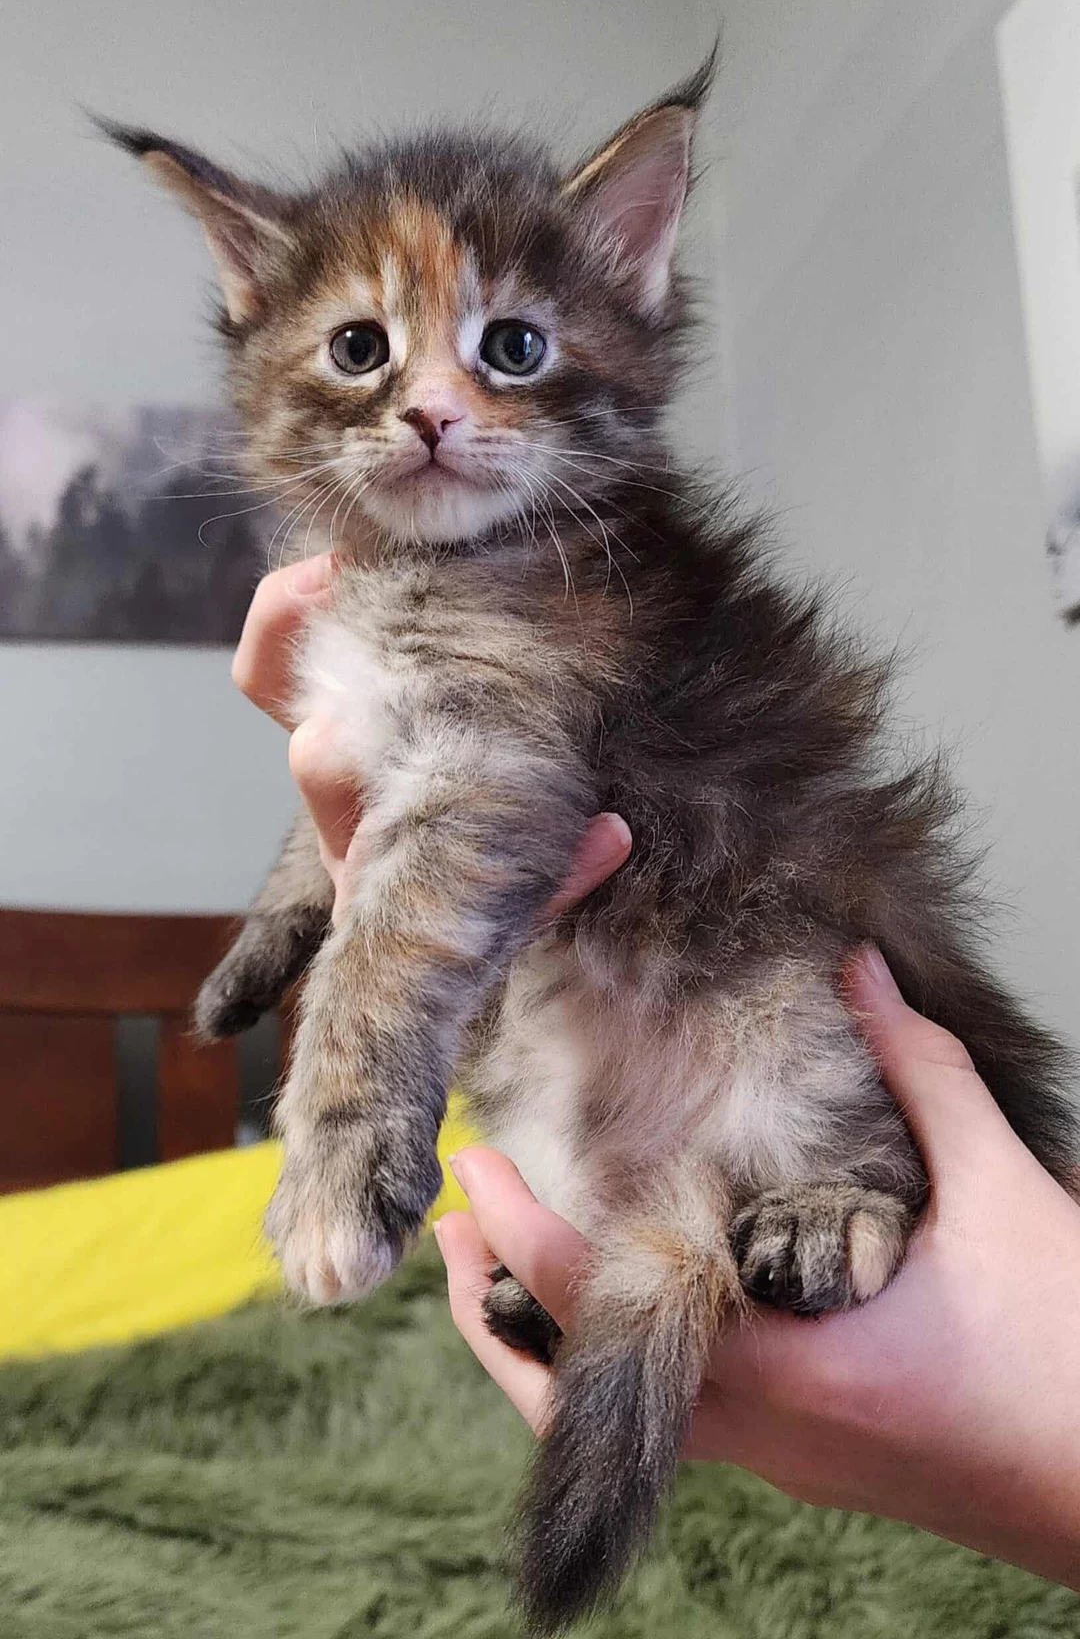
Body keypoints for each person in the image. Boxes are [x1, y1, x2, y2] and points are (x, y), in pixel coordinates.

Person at [233, 554, 1080, 1591]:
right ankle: (674, 1237)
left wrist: (1016, 1410)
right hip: (613, 1086)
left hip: (769, 1036)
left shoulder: (580, 582)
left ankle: (841, 1204)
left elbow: (477, 775)